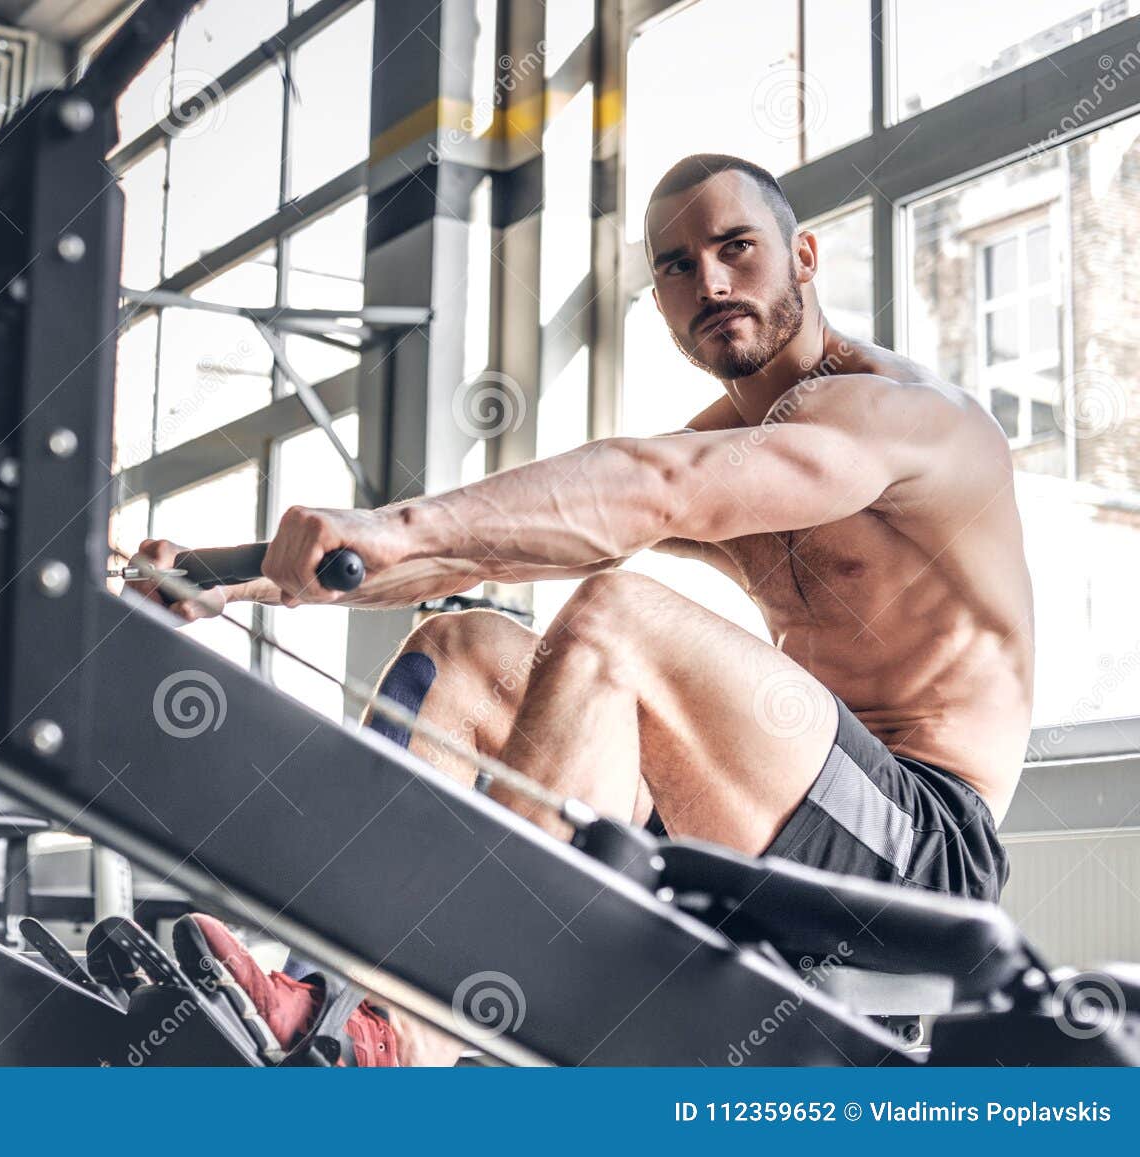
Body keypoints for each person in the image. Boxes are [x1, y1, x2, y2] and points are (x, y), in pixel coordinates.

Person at [132, 153, 1032, 1064]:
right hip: (773, 824)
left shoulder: (904, 417)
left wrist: (395, 523)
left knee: (619, 622)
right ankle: (357, 1021)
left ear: (802, 256)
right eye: (678, 265)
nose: (711, 280)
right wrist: (230, 574)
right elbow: (487, 542)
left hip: (920, 855)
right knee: (462, 647)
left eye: (736, 247)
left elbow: (653, 488)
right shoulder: (725, 447)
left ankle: (446, 1037)